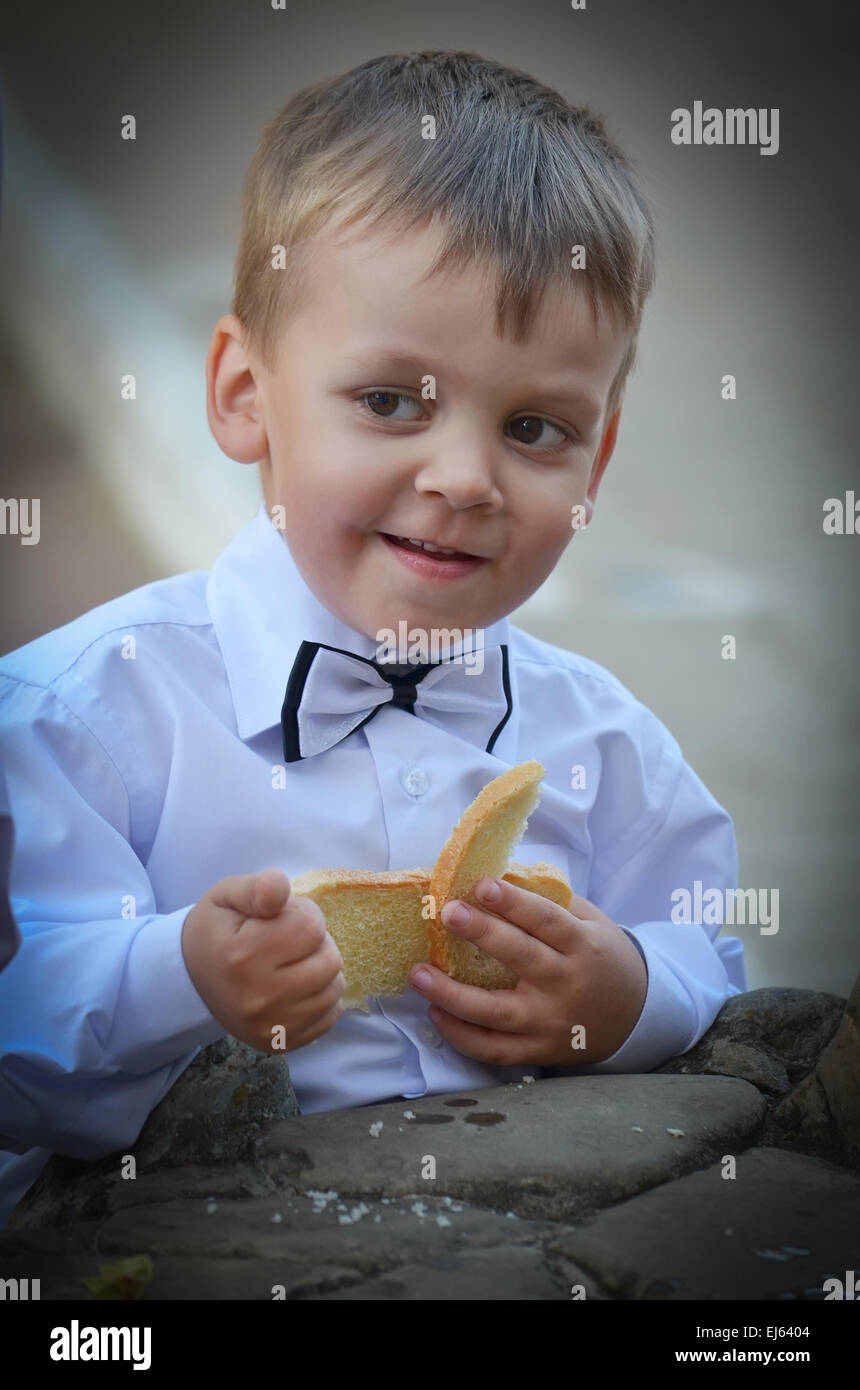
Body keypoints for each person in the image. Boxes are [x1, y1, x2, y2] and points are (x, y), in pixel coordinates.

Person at [0, 49, 746, 1227]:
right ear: (246, 395)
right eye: (391, 401)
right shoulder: (81, 713)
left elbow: (710, 942)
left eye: (535, 427)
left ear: (595, 463)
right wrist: (179, 975)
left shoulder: (605, 738)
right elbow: (19, 1047)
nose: (460, 479)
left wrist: (629, 995)